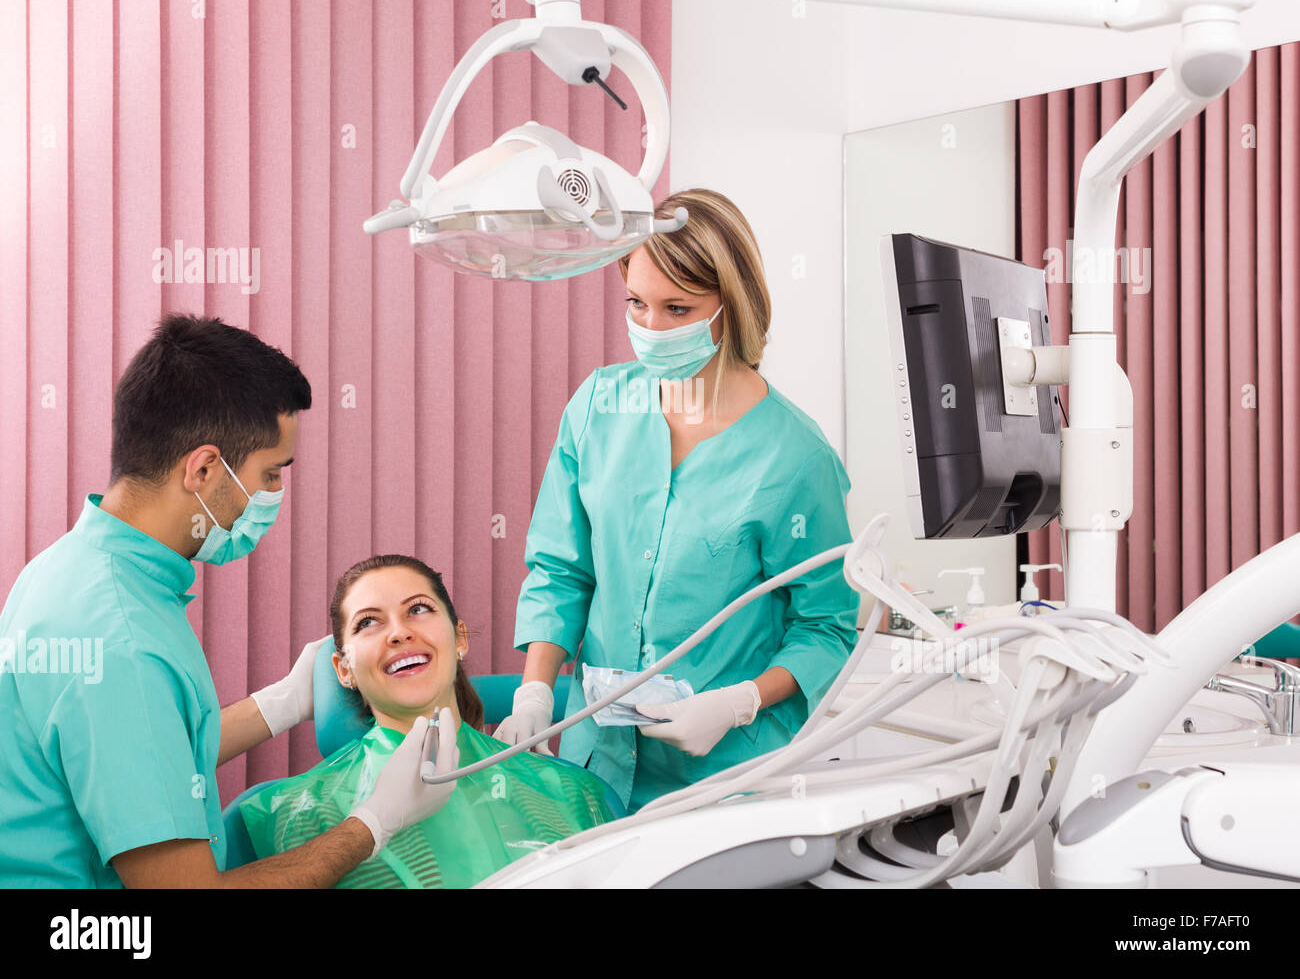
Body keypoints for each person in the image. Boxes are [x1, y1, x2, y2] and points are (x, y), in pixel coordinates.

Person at [0, 315, 454, 888]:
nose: (271, 497)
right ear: (205, 468)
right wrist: (373, 823)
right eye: (268, 475)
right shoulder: (125, 643)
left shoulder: (71, 572)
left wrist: (281, 704)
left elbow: (136, 754)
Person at [497, 188, 861, 812]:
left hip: (726, 776)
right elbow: (562, 571)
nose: (651, 328)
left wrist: (739, 700)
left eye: (677, 308)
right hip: (598, 763)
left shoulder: (796, 458)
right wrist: (534, 693)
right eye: (636, 303)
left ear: (732, 306)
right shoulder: (598, 406)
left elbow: (825, 628)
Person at [240, 556, 614, 887]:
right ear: (344, 670)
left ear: (459, 638)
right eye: (368, 622)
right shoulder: (299, 812)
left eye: (418, 609)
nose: (399, 632)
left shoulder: (568, 792)